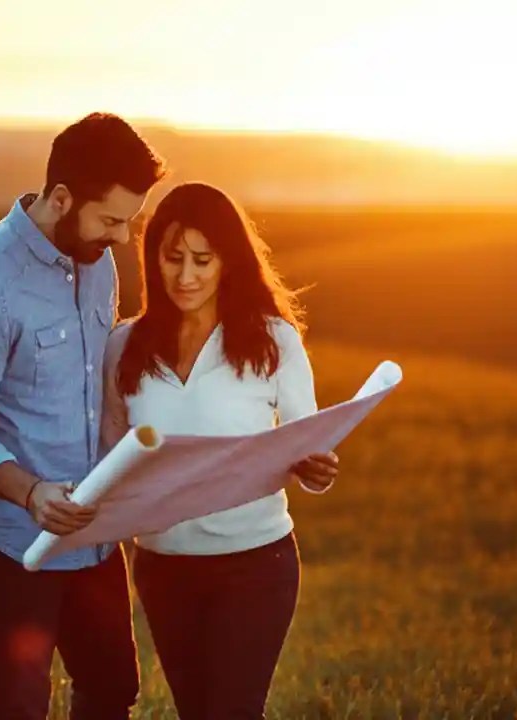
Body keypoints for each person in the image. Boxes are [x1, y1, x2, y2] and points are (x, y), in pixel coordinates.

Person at [0, 112, 167, 720]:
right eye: (111, 219)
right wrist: (32, 492)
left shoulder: (98, 262)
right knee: (19, 702)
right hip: (13, 537)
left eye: (130, 221)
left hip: (91, 530)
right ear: (62, 198)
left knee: (113, 686)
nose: (121, 236)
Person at [101, 182, 340, 719]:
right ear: (153, 258)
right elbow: (111, 456)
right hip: (164, 568)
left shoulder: (274, 340)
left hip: (255, 566)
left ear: (228, 261)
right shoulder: (124, 346)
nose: (186, 277)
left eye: (202, 261)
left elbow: (307, 447)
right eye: (173, 258)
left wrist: (316, 470)